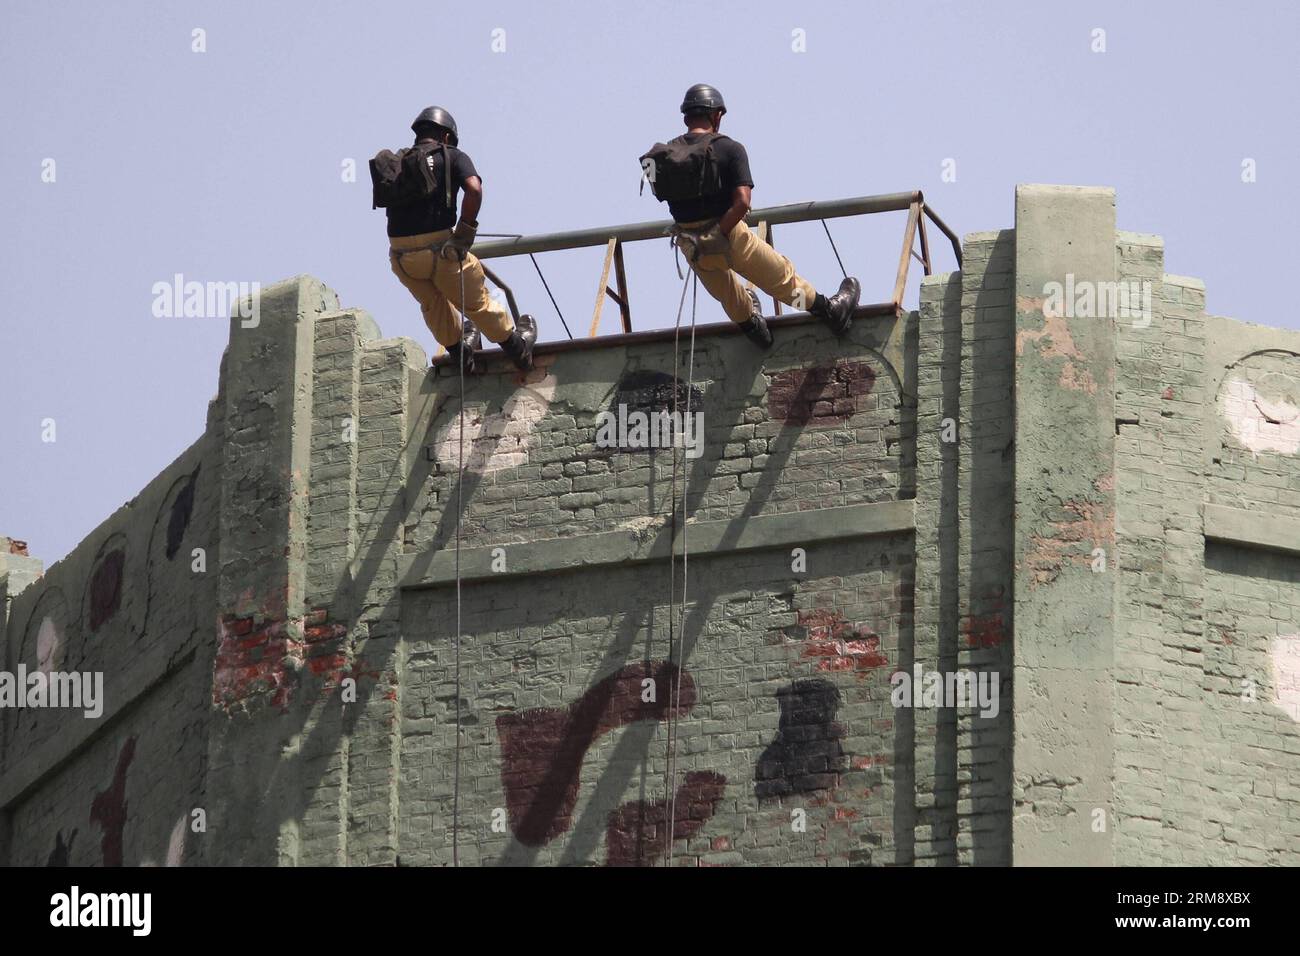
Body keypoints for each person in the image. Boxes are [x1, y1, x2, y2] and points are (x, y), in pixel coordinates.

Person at [643, 84, 860, 349]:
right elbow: (743, 202)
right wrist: (718, 233)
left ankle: (753, 328)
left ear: (686, 117)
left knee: (728, 295)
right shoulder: (730, 149)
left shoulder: (662, 156)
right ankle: (830, 311)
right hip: (729, 236)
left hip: (692, 244)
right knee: (782, 281)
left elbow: (662, 194)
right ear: (717, 115)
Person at [383, 106, 536, 373]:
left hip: (402, 258)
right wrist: (465, 232)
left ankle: (461, 355)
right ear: (446, 137)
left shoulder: (399, 163)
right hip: (442, 252)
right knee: (477, 304)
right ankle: (518, 349)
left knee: (433, 305)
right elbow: (474, 189)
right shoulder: (452, 155)